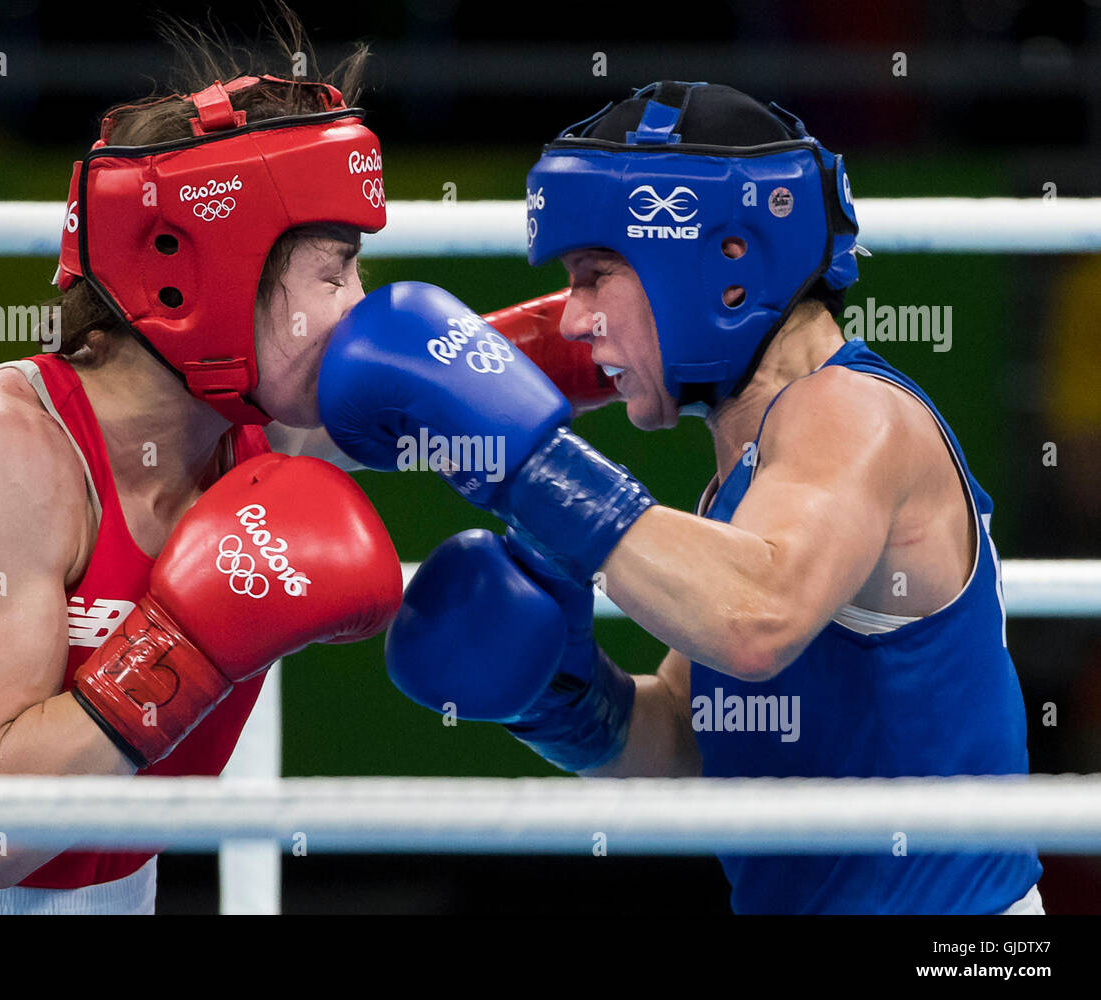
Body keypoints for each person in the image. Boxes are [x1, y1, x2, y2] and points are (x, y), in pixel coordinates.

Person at [317, 81, 1044, 915]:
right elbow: (688, 741)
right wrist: (561, 695)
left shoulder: (850, 412)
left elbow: (756, 618)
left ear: (725, 261)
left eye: (595, 276)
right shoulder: (751, 469)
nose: (574, 320)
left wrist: (529, 466)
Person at [0, 24, 406, 915]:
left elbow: (483, 387)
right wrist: (187, 643)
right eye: (335, 273)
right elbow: (0, 837)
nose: (359, 308)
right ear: (211, 276)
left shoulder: (267, 432)